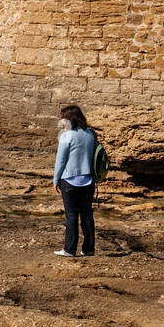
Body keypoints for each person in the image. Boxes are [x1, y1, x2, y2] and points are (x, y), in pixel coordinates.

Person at [52, 103, 97, 258]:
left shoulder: (67, 136)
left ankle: (69, 249)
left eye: (63, 118)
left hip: (69, 180)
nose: (62, 122)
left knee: (71, 216)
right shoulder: (91, 134)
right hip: (89, 180)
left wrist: (55, 180)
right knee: (87, 215)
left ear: (70, 119)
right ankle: (89, 249)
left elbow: (61, 160)